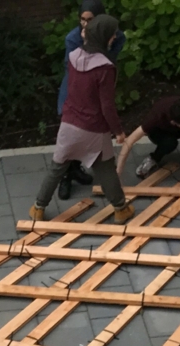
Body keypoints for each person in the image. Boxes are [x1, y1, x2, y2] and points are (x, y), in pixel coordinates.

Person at [31, 14, 134, 226]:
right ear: (104, 36)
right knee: (105, 169)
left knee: (56, 168)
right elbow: (107, 105)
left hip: (69, 123)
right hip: (94, 128)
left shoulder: (73, 56)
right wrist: (119, 131)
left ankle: (38, 208)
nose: (114, 37)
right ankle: (121, 209)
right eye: (112, 34)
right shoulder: (105, 68)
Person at [56, 0, 128, 200]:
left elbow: (111, 57)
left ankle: (76, 169)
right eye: (83, 20)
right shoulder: (73, 38)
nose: (86, 25)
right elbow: (70, 67)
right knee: (73, 133)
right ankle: (66, 177)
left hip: (96, 85)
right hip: (77, 88)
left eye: (91, 20)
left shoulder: (116, 35)